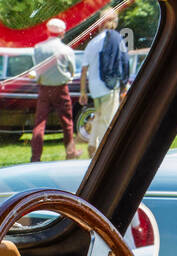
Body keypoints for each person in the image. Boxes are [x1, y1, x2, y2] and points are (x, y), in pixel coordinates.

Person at [79, 7, 129, 157]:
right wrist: (124, 83)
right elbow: (124, 61)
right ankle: (102, 151)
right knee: (107, 120)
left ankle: (93, 145)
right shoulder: (116, 37)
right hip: (109, 85)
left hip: (94, 87)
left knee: (99, 115)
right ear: (113, 21)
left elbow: (83, 70)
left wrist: (83, 91)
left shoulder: (92, 43)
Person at [30, 18, 78, 162]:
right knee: (67, 123)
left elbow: (37, 68)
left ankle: (36, 157)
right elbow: (72, 71)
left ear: (48, 31)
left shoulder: (38, 48)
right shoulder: (66, 50)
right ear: (62, 33)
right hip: (61, 88)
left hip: (44, 88)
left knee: (39, 123)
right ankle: (70, 153)